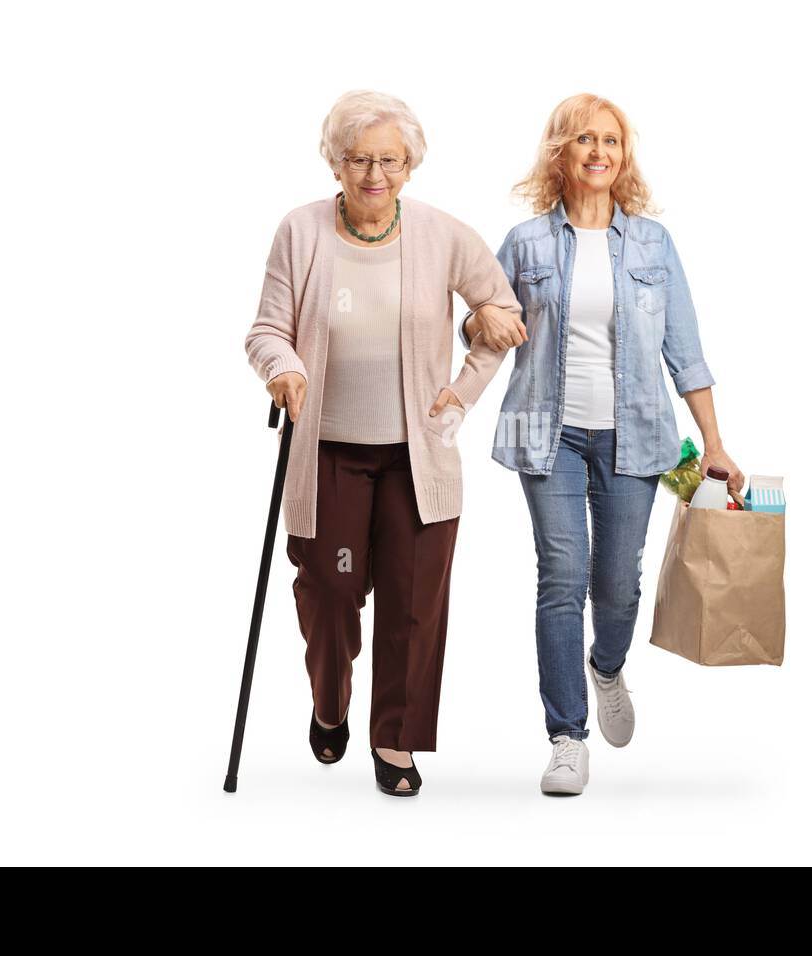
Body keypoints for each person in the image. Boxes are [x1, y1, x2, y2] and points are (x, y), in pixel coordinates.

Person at [460, 93, 744, 795]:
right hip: (546, 434)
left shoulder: (652, 244)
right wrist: (471, 343)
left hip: (638, 438)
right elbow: (483, 328)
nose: (598, 152)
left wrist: (715, 443)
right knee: (562, 577)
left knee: (617, 585)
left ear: (623, 156)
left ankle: (608, 665)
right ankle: (566, 737)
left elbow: (686, 351)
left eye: (610, 141)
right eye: (584, 139)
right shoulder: (525, 243)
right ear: (562, 150)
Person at [245, 90, 518, 797]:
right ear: (336, 163)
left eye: (390, 160)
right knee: (332, 591)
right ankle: (330, 700)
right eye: (360, 159)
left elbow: (504, 312)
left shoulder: (441, 234)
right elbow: (267, 329)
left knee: (412, 603)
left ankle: (394, 742)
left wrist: (465, 376)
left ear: (410, 165)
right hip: (330, 451)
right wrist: (286, 366)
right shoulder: (301, 232)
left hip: (417, 457)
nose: (375, 175)